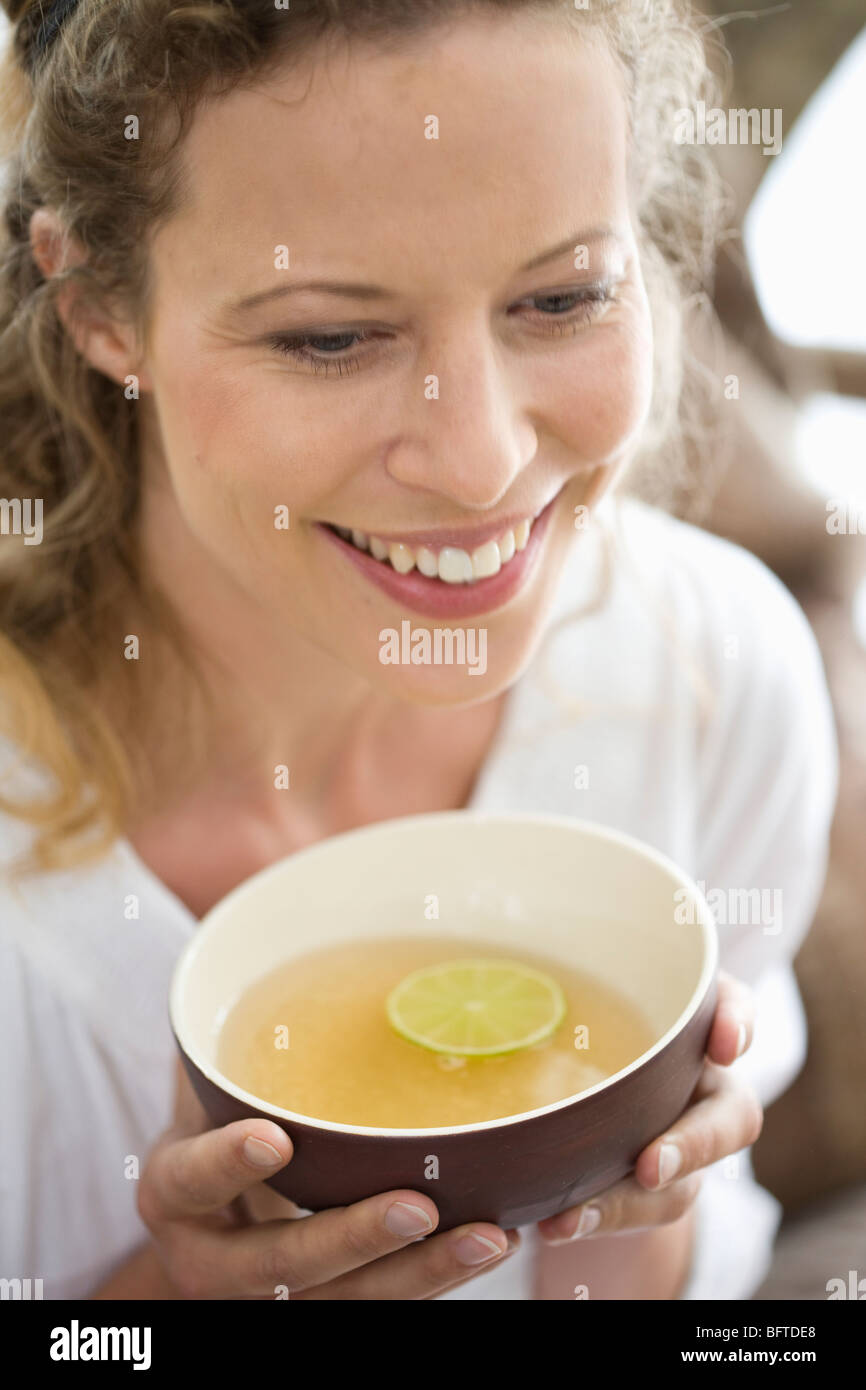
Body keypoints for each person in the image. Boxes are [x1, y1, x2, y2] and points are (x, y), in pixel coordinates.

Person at [0, 0, 837, 1300]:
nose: (483, 462)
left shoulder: (712, 673)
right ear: (101, 306)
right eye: (329, 335)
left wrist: (624, 1191)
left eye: (561, 297)